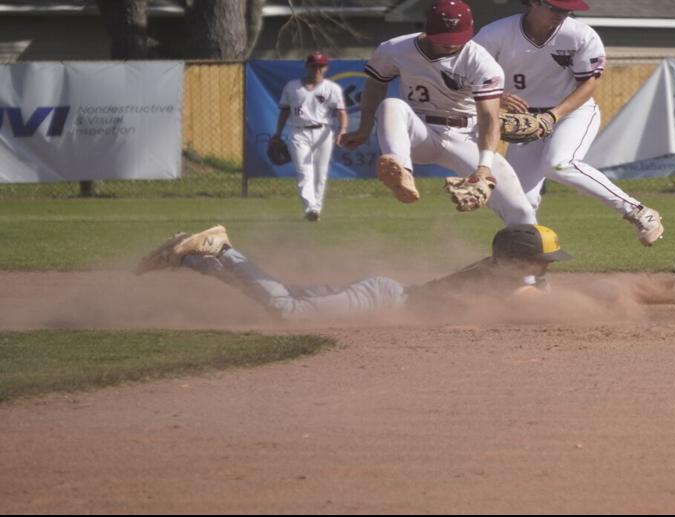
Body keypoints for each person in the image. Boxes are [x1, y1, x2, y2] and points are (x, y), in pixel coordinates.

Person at [473, 0, 665, 246]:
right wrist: (498, 96)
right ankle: (528, 267)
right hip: (526, 121)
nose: (563, 13)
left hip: (573, 113)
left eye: (568, 9)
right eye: (556, 7)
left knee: (559, 164)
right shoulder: (495, 34)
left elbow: (589, 84)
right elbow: (468, 73)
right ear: (533, 2)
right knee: (517, 201)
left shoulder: (580, 35)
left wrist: (552, 115)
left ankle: (638, 211)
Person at [337, 0, 536, 228]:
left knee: (521, 210)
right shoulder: (395, 49)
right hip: (420, 132)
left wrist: (484, 166)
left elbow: (488, 119)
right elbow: (375, 84)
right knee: (392, 105)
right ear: (428, 29)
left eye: (458, 39)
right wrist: (364, 128)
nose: (451, 45)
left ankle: (522, 259)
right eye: (444, 39)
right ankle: (402, 171)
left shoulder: (482, 63)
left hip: (464, 135)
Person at [131, 224, 569, 321]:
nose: (548, 264)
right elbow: (546, 309)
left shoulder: (506, 272)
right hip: (384, 299)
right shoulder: (507, 285)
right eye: (543, 259)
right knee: (287, 311)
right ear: (516, 259)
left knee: (279, 293)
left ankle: (190, 257)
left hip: (389, 292)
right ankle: (224, 248)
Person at [272, 52, 348, 222]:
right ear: (307, 66)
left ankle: (316, 208)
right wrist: (277, 133)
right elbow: (284, 111)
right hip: (299, 131)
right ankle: (310, 207)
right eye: (314, 65)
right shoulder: (292, 87)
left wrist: (342, 130)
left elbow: (341, 112)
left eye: (321, 66)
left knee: (321, 173)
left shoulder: (332, 88)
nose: (317, 69)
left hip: (324, 131)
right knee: (304, 171)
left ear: (326, 68)